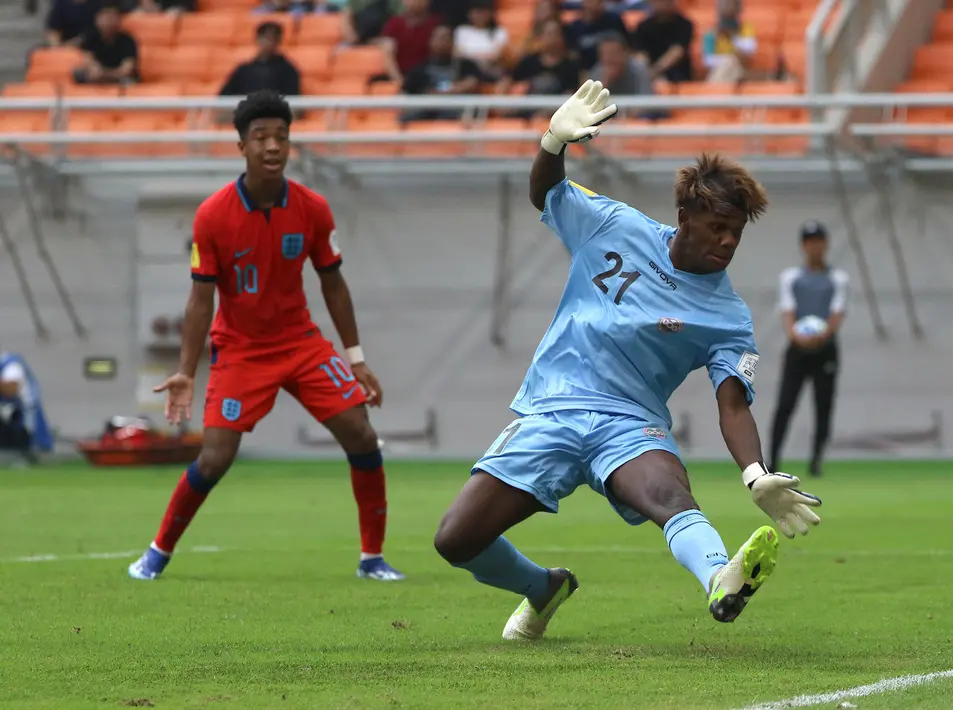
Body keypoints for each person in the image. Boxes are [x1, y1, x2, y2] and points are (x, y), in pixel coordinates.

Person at [432, 80, 822, 641]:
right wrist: (551, 143)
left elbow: (732, 402)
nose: (728, 242)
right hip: (554, 410)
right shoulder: (613, 224)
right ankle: (543, 588)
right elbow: (547, 194)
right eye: (718, 227)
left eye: (736, 232)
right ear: (685, 215)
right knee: (456, 540)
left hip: (629, 427)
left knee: (669, 495)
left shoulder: (728, 316)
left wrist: (755, 472)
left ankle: (720, 579)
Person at [127, 90, 404, 583]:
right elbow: (200, 300)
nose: (273, 146)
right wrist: (186, 372)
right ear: (242, 146)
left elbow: (333, 283)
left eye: (281, 136)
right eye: (261, 137)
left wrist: (355, 358)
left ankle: (372, 559)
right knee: (214, 458)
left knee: (362, 434)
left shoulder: (313, 208)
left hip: (301, 343)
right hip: (241, 350)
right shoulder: (212, 216)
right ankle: (157, 552)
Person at [768, 221, 850, 478]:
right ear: (803, 246)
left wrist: (822, 335)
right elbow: (787, 310)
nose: (814, 246)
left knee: (823, 406)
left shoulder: (838, 279)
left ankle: (815, 462)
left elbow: (837, 312)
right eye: (809, 241)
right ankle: (772, 461)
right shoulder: (791, 278)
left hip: (825, 349)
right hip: (798, 349)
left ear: (825, 244)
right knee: (785, 405)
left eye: (819, 241)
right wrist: (796, 336)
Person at [219, 22, 302, 98]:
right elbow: (225, 96)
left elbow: (292, 98)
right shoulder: (244, 70)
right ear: (258, 39)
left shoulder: (288, 70)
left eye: (273, 39)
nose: (269, 42)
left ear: (278, 41)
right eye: (266, 38)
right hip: (245, 111)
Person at [0, 351, 53, 459]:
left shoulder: (10, 364)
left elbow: (11, 388)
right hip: (10, 411)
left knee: (29, 439)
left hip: (24, 412)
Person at [72, 1, 139, 85]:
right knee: (79, 74)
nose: (108, 22)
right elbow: (89, 61)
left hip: (119, 77)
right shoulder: (90, 38)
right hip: (98, 75)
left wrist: (106, 74)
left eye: (112, 17)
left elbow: (127, 68)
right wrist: (95, 70)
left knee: (129, 80)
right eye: (105, 17)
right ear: (97, 19)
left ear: (119, 19)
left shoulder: (127, 40)